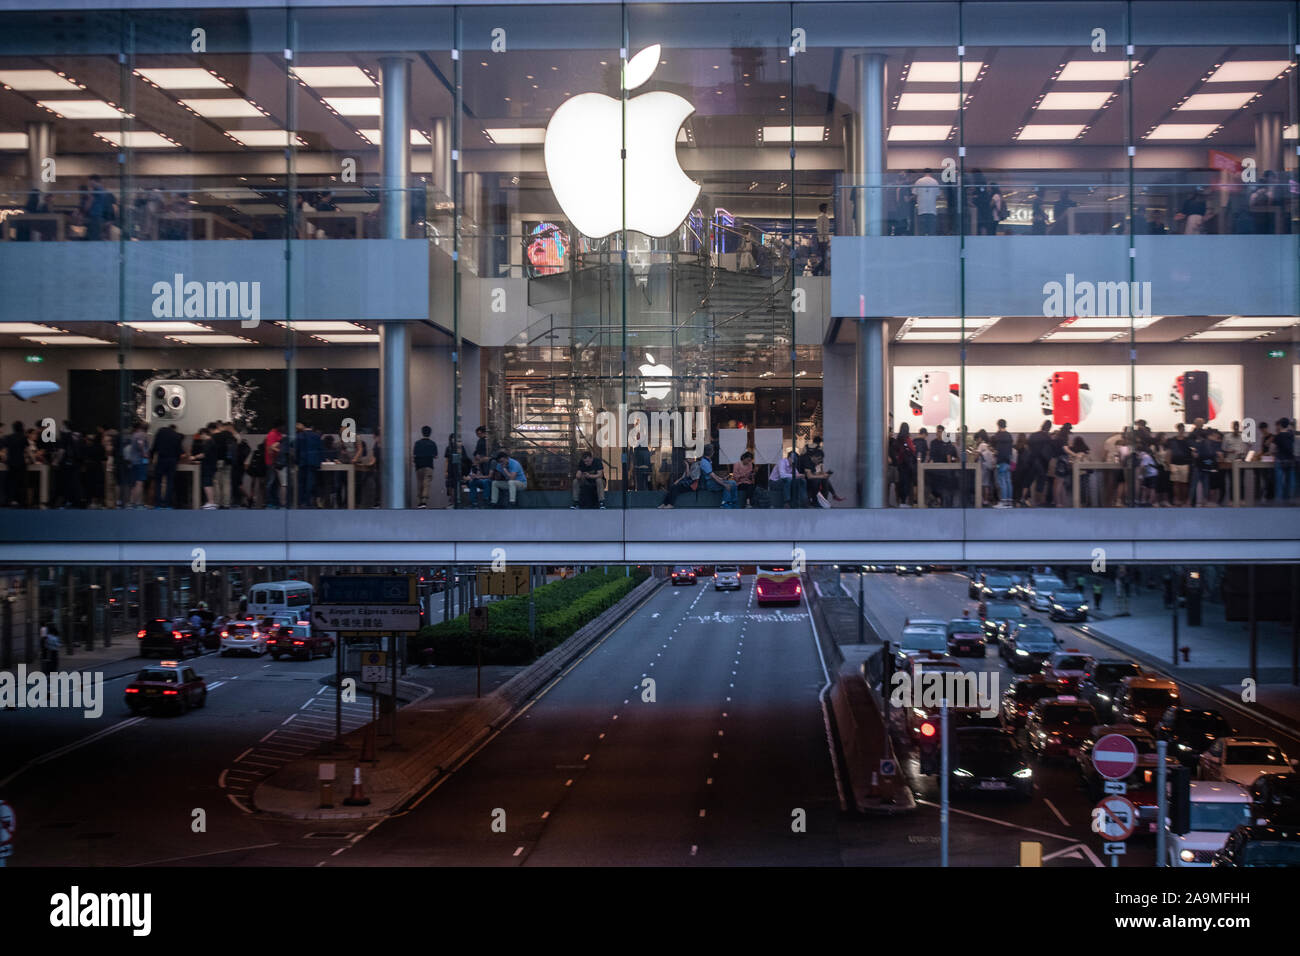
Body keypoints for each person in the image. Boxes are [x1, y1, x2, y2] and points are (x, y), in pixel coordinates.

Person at [150, 423, 182, 509]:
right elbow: (179, 451)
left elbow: (154, 446)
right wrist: (177, 460)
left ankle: (158, 503)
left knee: (158, 482)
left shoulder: (160, 432)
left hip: (161, 459)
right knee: (170, 482)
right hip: (172, 461)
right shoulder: (177, 436)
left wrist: (151, 457)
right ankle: (168, 504)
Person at [295, 421, 323, 508]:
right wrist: (320, 461)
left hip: (302, 462)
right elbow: (320, 450)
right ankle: (308, 502)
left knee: (301, 483)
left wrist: (296, 461)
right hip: (312, 463)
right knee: (310, 483)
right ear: (312, 427)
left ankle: (300, 502)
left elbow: (297, 450)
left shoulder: (299, 436)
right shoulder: (316, 436)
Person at [1165, 424, 1192, 507]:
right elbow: (1169, 452)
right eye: (1180, 429)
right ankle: (1177, 499)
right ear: (1177, 429)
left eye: (1182, 429)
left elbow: (1191, 451)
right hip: (1174, 463)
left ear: (1184, 430)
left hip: (1185, 464)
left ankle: (1184, 500)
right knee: (1175, 483)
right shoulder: (1172, 440)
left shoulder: (1188, 440)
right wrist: (1168, 464)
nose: (1181, 430)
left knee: (1184, 483)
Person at [890, 423, 917, 506]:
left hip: (901, 465)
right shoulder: (907, 439)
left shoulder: (898, 439)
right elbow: (912, 451)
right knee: (907, 483)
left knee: (902, 483)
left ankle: (902, 501)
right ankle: (906, 501)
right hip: (907, 465)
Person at [412, 425, 439, 509]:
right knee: (426, 483)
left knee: (419, 483)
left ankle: (420, 501)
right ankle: (424, 501)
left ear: (422, 432)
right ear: (430, 433)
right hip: (428, 465)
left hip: (419, 466)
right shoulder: (432, 443)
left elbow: (414, 455)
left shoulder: (417, 443)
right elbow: (435, 456)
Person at [3, 420, 26, 507]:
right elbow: (26, 451)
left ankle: (10, 500)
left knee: (10, 482)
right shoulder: (23, 437)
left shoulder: (8, 437)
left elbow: (5, 450)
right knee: (21, 482)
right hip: (21, 462)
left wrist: (5, 459)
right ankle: (21, 501)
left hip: (11, 462)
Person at [992, 418, 1015, 507]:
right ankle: (1009, 501)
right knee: (1008, 481)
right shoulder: (1009, 435)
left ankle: (1003, 501)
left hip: (1001, 461)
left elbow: (998, 450)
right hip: (1008, 461)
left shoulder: (998, 436)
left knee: (1002, 481)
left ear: (998, 425)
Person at [444, 434, 471, 508]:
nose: (457, 442)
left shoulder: (462, 448)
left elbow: (466, 460)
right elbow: (446, 460)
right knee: (450, 486)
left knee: (459, 485)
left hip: (459, 470)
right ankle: (452, 502)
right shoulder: (449, 448)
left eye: (459, 440)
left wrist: (465, 472)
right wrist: (445, 471)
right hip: (450, 469)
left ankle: (458, 502)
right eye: (454, 439)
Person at [1274, 418, 1296, 504]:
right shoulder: (1291, 435)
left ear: (1280, 425)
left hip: (1280, 460)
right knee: (1290, 481)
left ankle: (1279, 500)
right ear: (1287, 425)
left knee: (1279, 481)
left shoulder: (1278, 436)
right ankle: (1289, 499)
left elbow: (1273, 449)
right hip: (1290, 459)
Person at [913, 170, 939, 235]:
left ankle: (922, 244)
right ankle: (931, 244)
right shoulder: (935, 182)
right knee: (931, 231)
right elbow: (937, 195)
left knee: (921, 232)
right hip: (932, 210)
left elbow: (914, 194)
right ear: (931, 173)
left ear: (924, 173)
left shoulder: (918, 181)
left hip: (921, 209)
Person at [813, 203, 831, 274]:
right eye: (825, 208)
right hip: (822, 240)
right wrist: (823, 239)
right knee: (824, 258)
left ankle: (819, 271)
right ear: (823, 209)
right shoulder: (821, 217)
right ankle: (816, 270)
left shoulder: (824, 217)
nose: (826, 209)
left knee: (824, 258)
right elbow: (821, 229)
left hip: (824, 239)